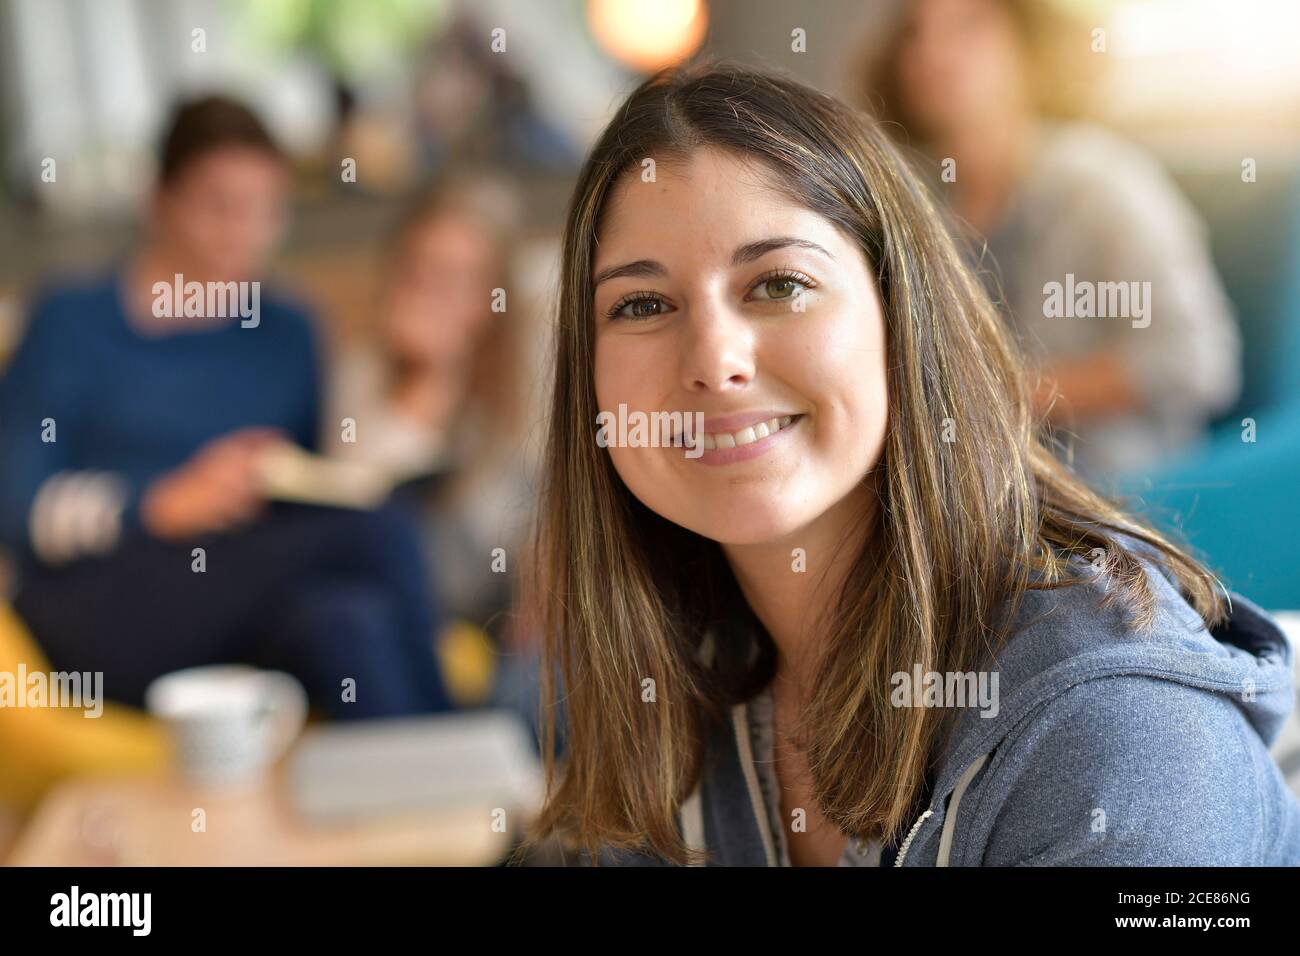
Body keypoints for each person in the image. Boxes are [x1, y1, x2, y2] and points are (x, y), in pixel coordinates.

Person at [520, 63, 1300, 866]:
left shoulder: (1116, 736)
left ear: (904, 319)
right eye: (641, 304)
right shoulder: (680, 675)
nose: (715, 360)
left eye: (778, 284)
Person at [0, 95, 453, 719]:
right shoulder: (72, 321)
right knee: (380, 531)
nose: (244, 232)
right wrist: (159, 504)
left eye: (266, 210)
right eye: (220, 206)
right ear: (158, 200)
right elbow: (17, 508)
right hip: (97, 604)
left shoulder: (288, 332)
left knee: (349, 621)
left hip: (237, 596)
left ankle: (437, 812)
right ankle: (478, 757)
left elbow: (304, 503)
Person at [857, 0, 1241, 481]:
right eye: (915, 33)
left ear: (1029, 50)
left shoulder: (1102, 185)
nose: (931, 52)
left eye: (968, 28)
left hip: (1108, 486)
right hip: (969, 481)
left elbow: (1196, 359)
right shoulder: (916, 198)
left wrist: (1003, 394)